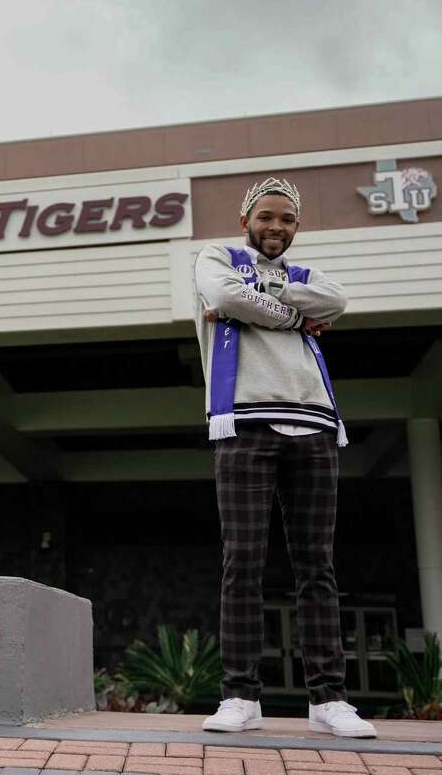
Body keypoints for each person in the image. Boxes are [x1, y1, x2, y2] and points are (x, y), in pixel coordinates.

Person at [192, 177, 375, 738]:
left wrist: (265, 297)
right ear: (246, 217)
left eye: (288, 220)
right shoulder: (215, 256)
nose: (277, 227)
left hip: (316, 424)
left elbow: (337, 300)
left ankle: (329, 699)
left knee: (316, 565)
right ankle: (240, 696)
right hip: (243, 421)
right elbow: (224, 296)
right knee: (242, 562)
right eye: (267, 217)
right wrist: (295, 316)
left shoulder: (302, 274)